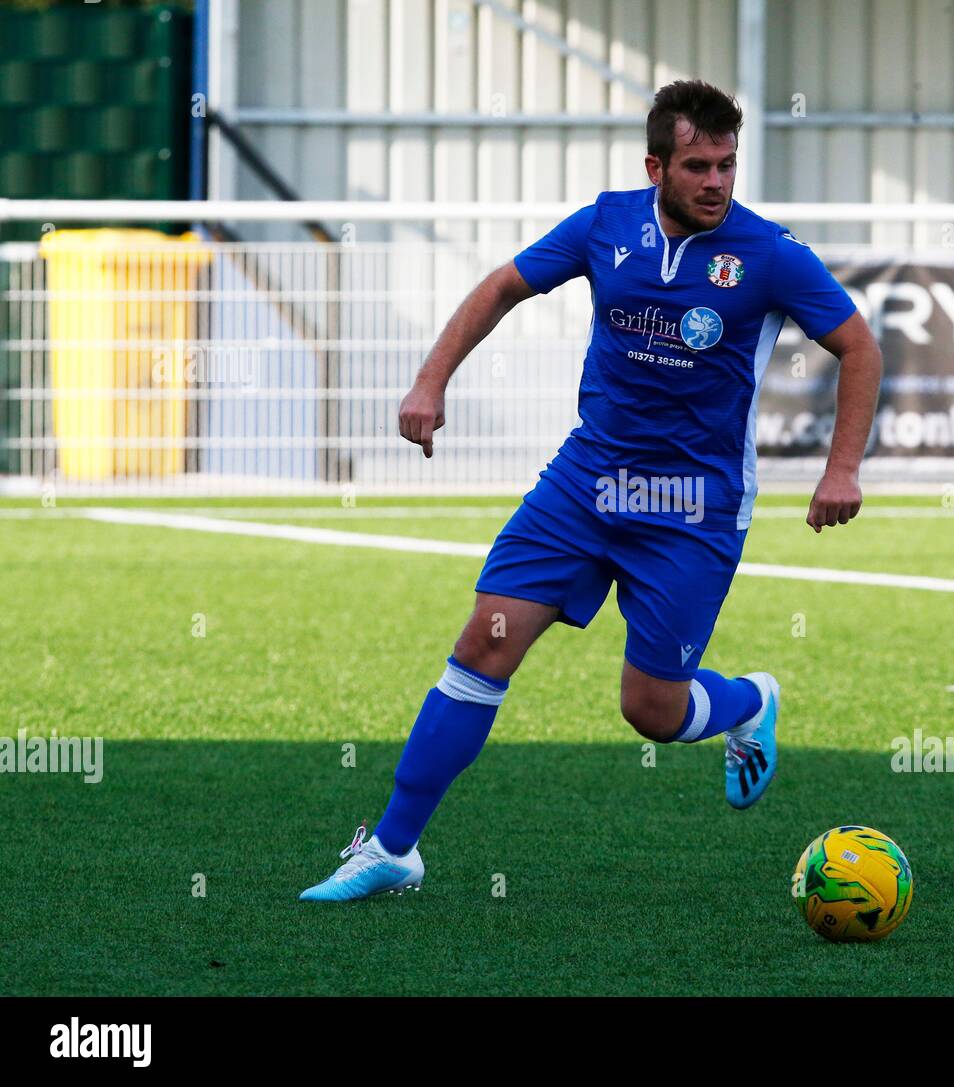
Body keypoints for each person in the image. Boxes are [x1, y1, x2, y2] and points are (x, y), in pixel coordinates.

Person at [300, 79, 882, 901]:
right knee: (484, 642)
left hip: (691, 510)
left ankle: (749, 702)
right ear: (656, 167)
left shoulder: (769, 254)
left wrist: (842, 467)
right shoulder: (607, 223)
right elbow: (503, 285)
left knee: (650, 709)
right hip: (586, 484)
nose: (716, 181)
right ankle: (393, 847)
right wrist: (430, 382)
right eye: (698, 165)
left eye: (726, 164)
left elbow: (859, 347)